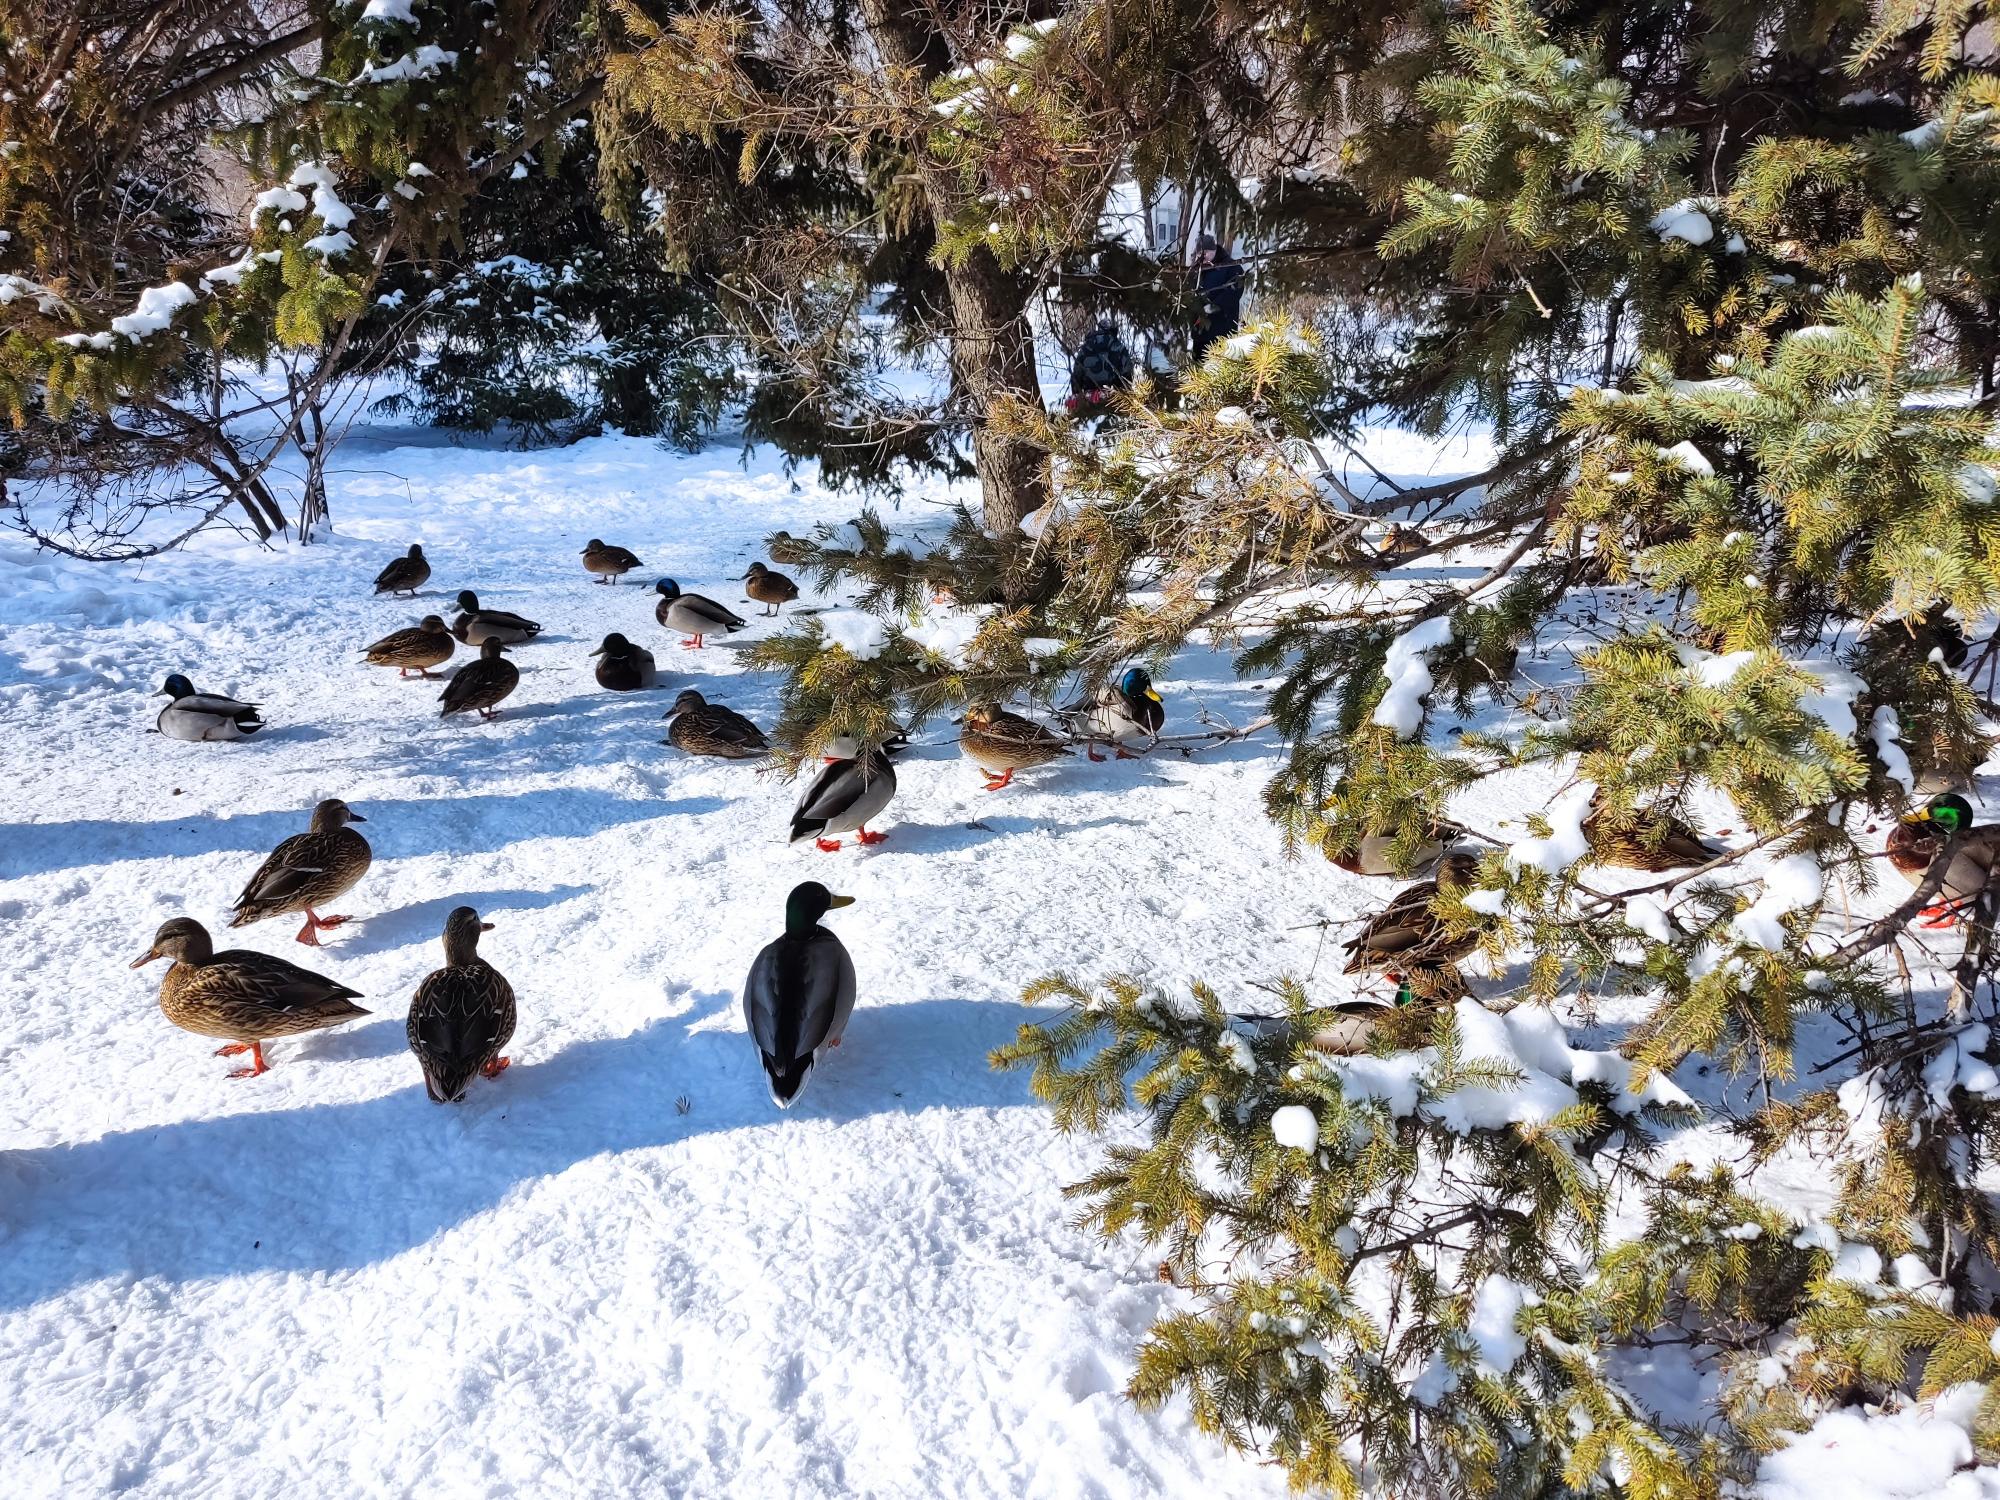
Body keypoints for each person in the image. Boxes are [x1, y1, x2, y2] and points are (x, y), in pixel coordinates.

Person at [1191, 233, 1243, 362]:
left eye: (1205, 252)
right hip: (1200, 332)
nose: (1202, 256)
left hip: (1222, 329)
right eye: (1199, 253)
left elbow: (1236, 290)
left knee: (1220, 366)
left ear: (1214, 250)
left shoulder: (1231, 266)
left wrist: (1215, 305)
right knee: (1199, 369)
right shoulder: (1196, 269)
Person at [1066, 319, 1135, 414]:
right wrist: (1126, 392)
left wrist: (1076, 393)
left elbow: (1077, 372)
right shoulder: (1118, 346)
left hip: (1089, 396)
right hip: (1114, 396)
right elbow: (1127, 370)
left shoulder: (1086, 347)